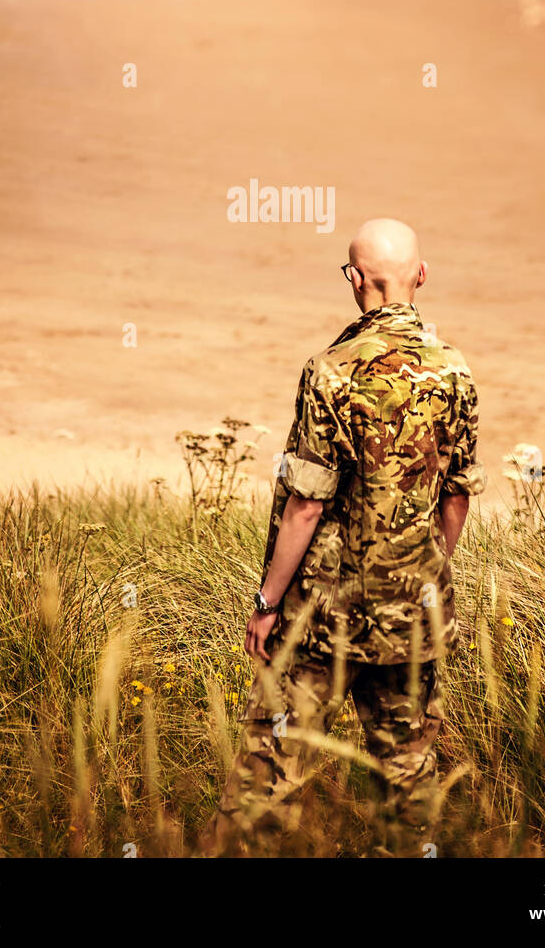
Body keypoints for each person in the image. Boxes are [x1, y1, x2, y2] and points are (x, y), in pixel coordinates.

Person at [200, 218, 485, 856]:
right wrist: (422, 572)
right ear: (422, 275)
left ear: (354, 280)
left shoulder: (330, 370)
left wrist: (268, 602)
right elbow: (458, 495)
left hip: (324, 617)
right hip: (414, 612)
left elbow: (305, 504)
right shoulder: (455, 372)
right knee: (407, 777)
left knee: (269, 770)